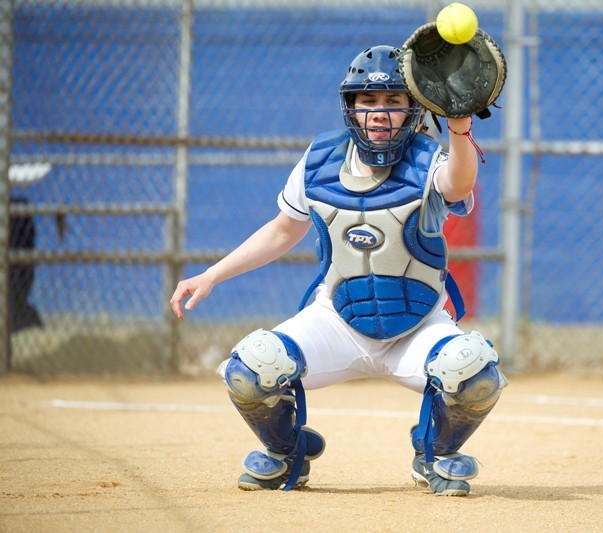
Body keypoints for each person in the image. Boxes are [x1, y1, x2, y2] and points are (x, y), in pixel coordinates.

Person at [170, 45, 507, 497]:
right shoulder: (320, 159)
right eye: (368, 102)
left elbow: (458, 184)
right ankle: (286, 450)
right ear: (351, 107)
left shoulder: (431, 159)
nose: (380, 113)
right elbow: (281, 231)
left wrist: (461, 128)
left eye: (393, 102)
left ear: (414, 110)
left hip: (418, 324)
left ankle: (436, 453)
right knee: (250, 370)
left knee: (473, 371)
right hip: (337, 321)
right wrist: (210, 275)